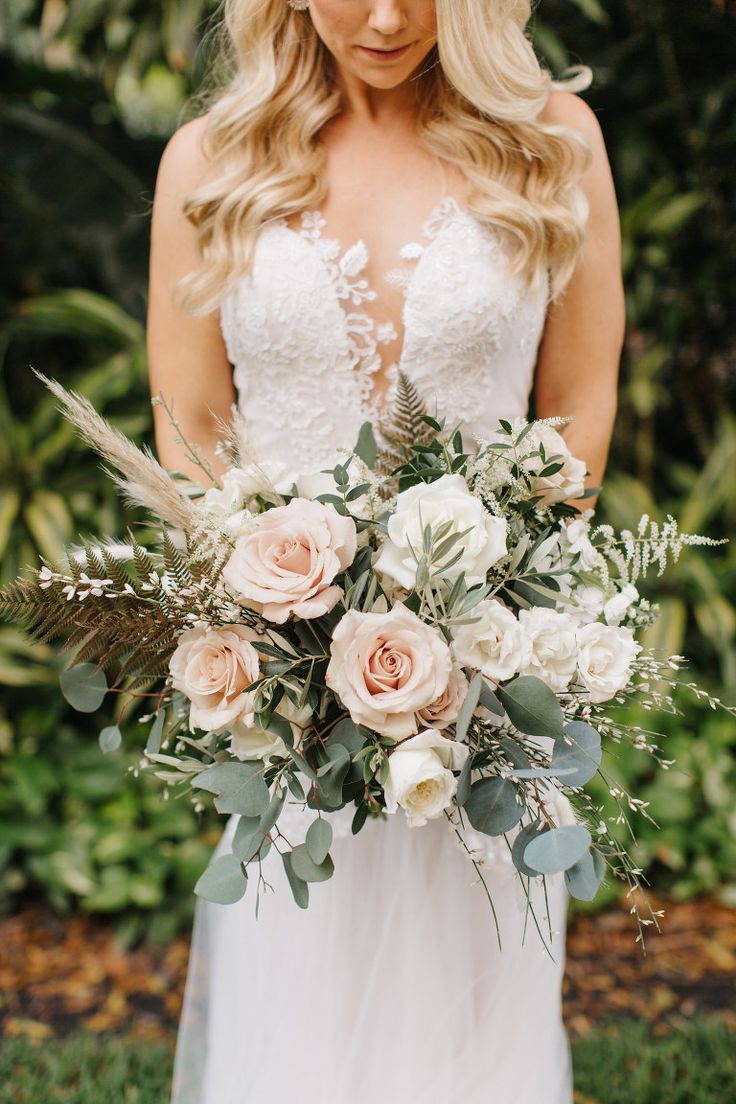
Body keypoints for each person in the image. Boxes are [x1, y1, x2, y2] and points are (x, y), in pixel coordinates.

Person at [146, 2, 624, 1101]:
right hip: (290, 691)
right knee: (300, 1012)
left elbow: (579, 403)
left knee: (471, 1019)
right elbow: (191, 431)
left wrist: (495, 615)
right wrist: (282, 632)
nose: (385, 17)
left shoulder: (553, 141)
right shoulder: (210, 163)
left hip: (487, 691)